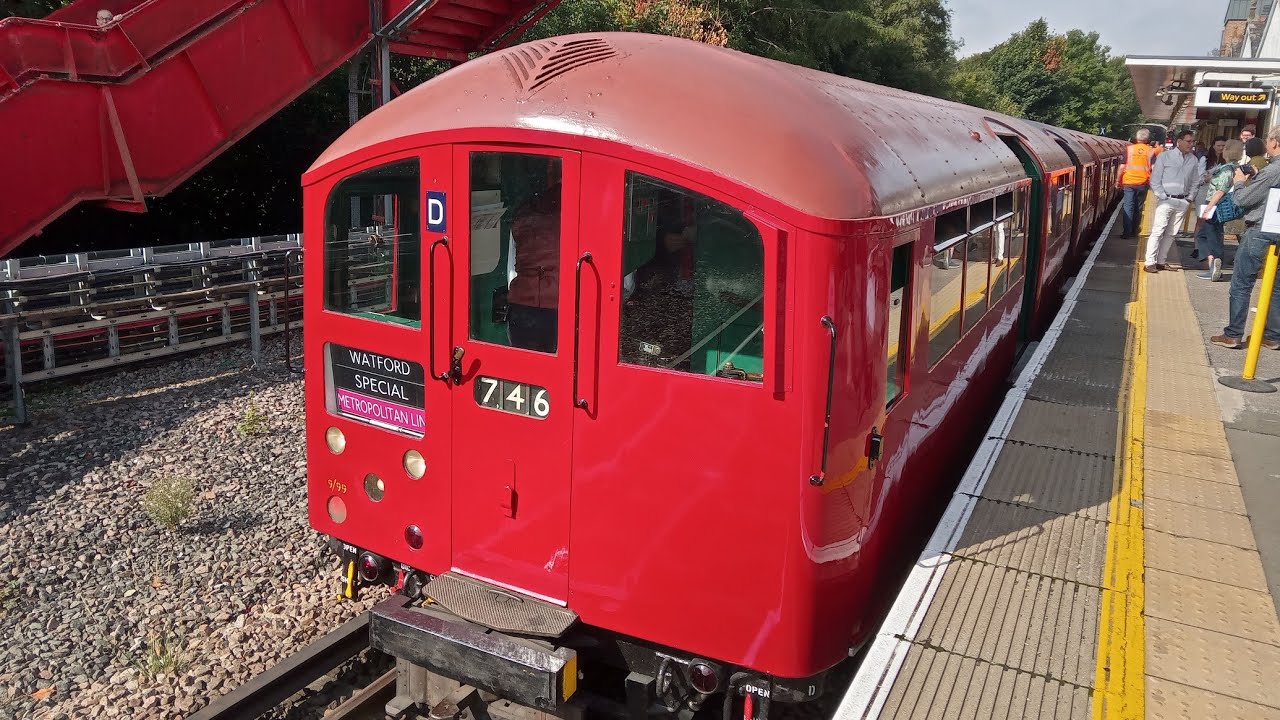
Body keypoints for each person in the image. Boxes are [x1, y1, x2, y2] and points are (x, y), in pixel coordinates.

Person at [1210, 125, 1280, 351]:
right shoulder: (1269, 170)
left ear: (1275, 142)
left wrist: (1240, 181)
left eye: (1269, 139)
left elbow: (1242, 200)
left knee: (1241, 283)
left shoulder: (1272, 170)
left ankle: (1233, 334)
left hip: (1261, 230)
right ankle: (1272, 336)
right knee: (1277, 286)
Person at [505, 165, 562, 352]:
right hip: (559, 305)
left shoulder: (524, 212)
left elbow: (512, 269)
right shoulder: (580, 211)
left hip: (522, 305)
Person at [1144, 130, 1203, 272]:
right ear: (1179, 141)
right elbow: (1155, 179)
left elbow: (1195, 181)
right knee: (1158, 231)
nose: (1191, 144)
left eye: (1193, 142)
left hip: (1182, 201)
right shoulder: (1165, 156)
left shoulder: (1193, 159)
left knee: (1171, 233)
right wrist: (1162, 196)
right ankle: (1149, 262)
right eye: (1188, 141)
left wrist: (1190, 198)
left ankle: (1161, 261)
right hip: (1167, 199)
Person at [1195, 139, 1245, 281]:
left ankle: (1214, 262)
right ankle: (1214, 263)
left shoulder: (1226, 169)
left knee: (1208, 235)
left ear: (1227, 151)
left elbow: (1220, 190)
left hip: (1215, 205)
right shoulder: (1238, 168)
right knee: (1211, 234)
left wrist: (1208, 208)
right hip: (1224, 206)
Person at [1118, 128, 1158, 240]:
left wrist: (1118, 180)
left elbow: (1122, 167)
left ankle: (1126, 233)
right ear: (1147, 139)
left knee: (1128, 207)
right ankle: (1134, 231)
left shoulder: (1129, 149)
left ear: (1136, 138)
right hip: (1143, 183)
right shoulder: (1151, 151)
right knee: (1138, 208)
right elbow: (1154, 169)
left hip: (1128, 182)